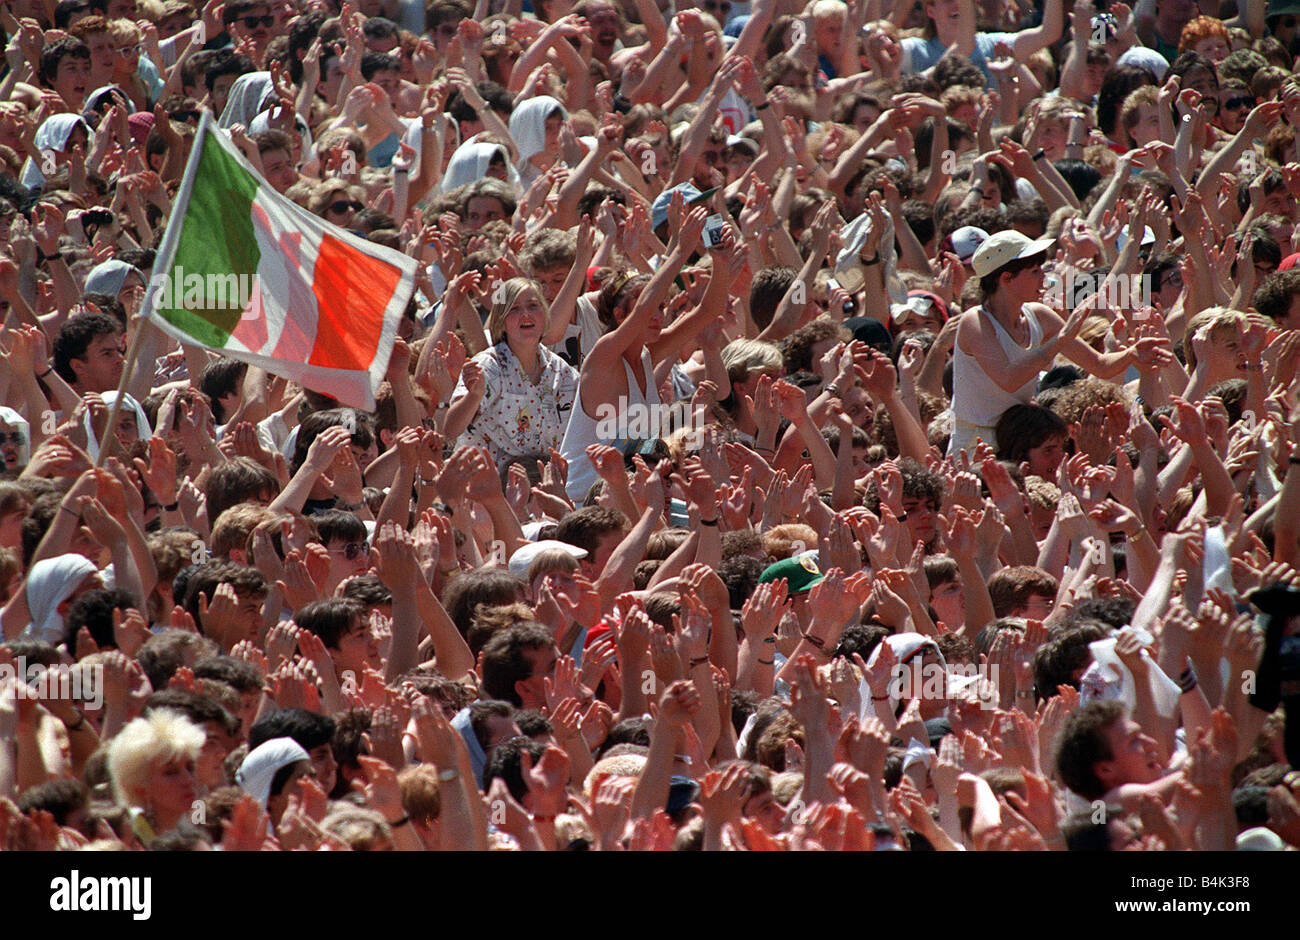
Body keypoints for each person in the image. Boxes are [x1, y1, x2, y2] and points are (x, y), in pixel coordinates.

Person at [446, 277, 578, 470]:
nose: (525, 314)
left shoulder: (561, 371)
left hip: (543, 483)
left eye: (533, 306)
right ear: (501, 322)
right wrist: (474, 396)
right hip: (487, 484)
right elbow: (450, 429)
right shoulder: (488, 365)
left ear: (545, 315)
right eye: (514, 309)